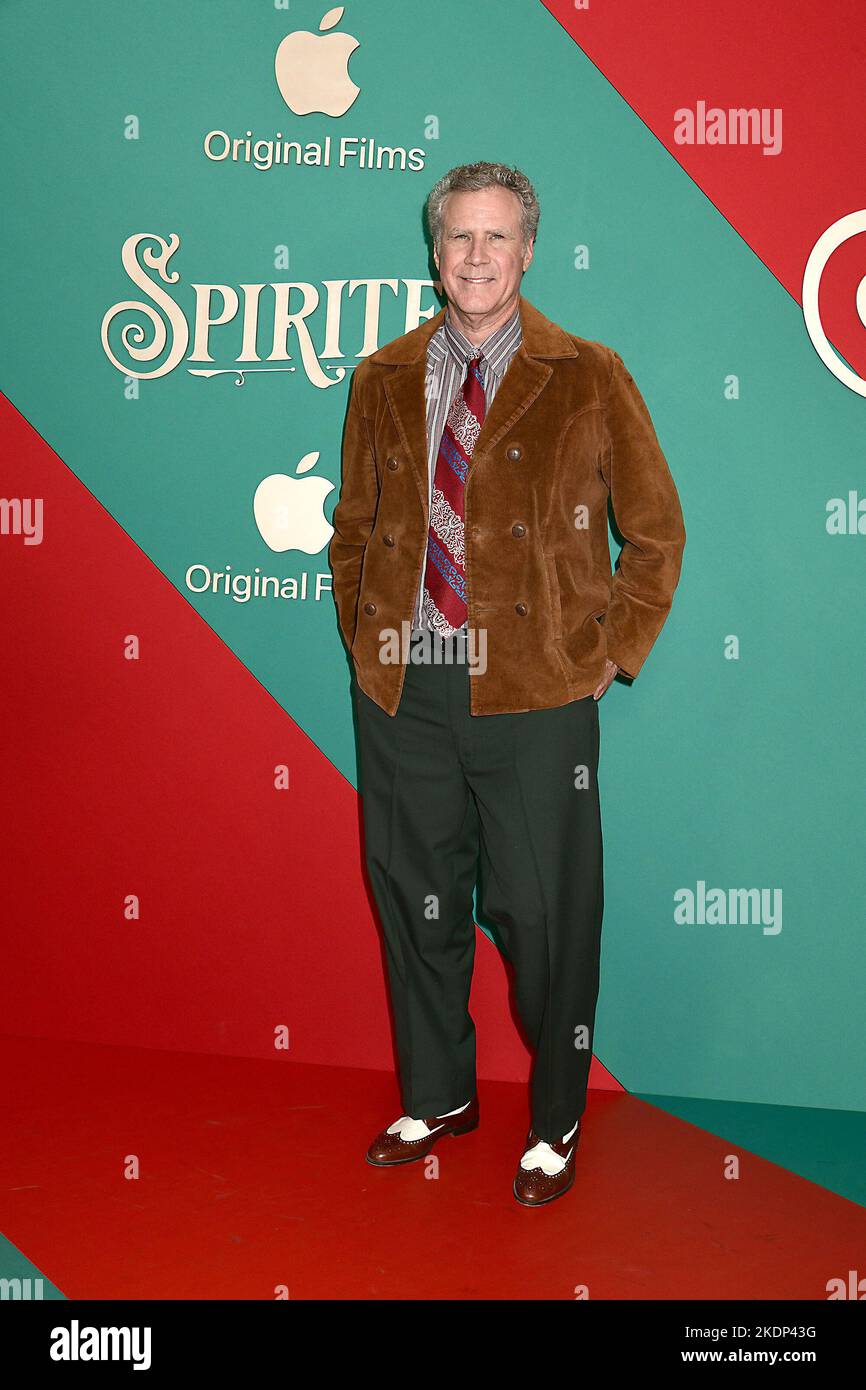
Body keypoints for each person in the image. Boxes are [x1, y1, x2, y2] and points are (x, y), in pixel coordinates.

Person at [328, 160, 686, 1206]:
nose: (476, 256)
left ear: (528, 250)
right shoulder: (382, 376)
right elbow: (355, 528)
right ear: (433, 251)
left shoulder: (588, 373)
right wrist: (366, 640)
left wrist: (606, 653)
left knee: (543, 912)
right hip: (408, 689)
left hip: (534, 695)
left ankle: (557, 1114)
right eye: (459, 236)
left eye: (496, 237)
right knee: (416, 898)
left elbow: (656, 533)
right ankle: (438, 1094)